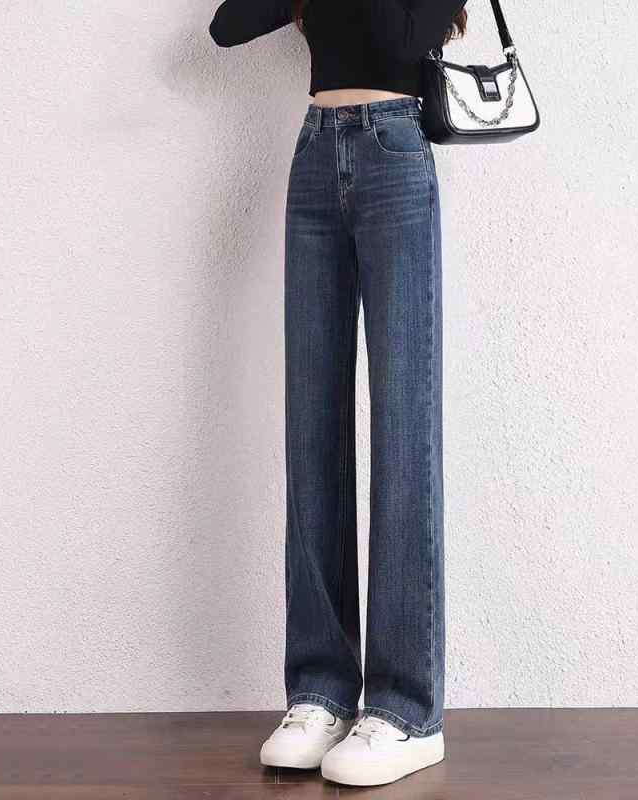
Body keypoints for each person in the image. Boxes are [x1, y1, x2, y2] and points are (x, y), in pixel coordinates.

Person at [209, 0, 468, 787]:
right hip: (314, 152)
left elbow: (399, 38)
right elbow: (229, 24)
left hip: (396, 150)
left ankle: (407, 709)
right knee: (312, 430)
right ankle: (320, 690)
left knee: (403, 433)